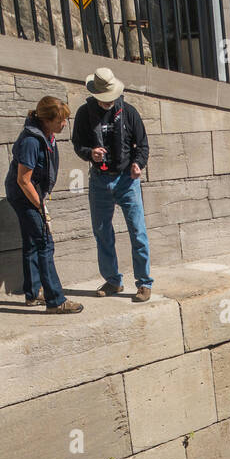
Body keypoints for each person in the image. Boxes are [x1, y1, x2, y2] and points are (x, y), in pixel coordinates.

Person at [71, 68, 153, 303]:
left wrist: (138, 164)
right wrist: (90, 153)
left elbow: (143, 146)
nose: (107, 103)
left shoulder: (128, 112)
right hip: (99, 179)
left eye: (110, 98)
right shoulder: (85, 114)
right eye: (103, 99)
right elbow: (78, 144)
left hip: (127, 179)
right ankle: (113, 280)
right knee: (102, 232)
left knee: (138, 231)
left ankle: (144, 283)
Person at [4, 96, 84, 313]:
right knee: (45, 243)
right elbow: (23, 180)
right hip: (24, 195)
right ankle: (56, 300)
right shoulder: (31, 141)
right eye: (61, 120)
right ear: (47, 120)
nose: (64, 124)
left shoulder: (46, 135)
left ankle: (32, 293)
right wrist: (40, 207)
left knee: (32, 241)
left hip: (30, 193)